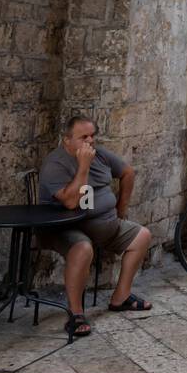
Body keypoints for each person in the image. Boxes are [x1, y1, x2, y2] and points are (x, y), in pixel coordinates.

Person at [38, 117, 153, 339]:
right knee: (83, 249)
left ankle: (121, 297)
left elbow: (127, 173)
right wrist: (83, 167)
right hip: (66, 227)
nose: (90, 141)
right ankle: (76, 313)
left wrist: (121, 209)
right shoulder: (56, 164)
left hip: (107, 225)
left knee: (142, 236)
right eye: (84, 137)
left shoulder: (99, 153)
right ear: (67, 140)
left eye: (93, 135)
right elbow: (70, 202)